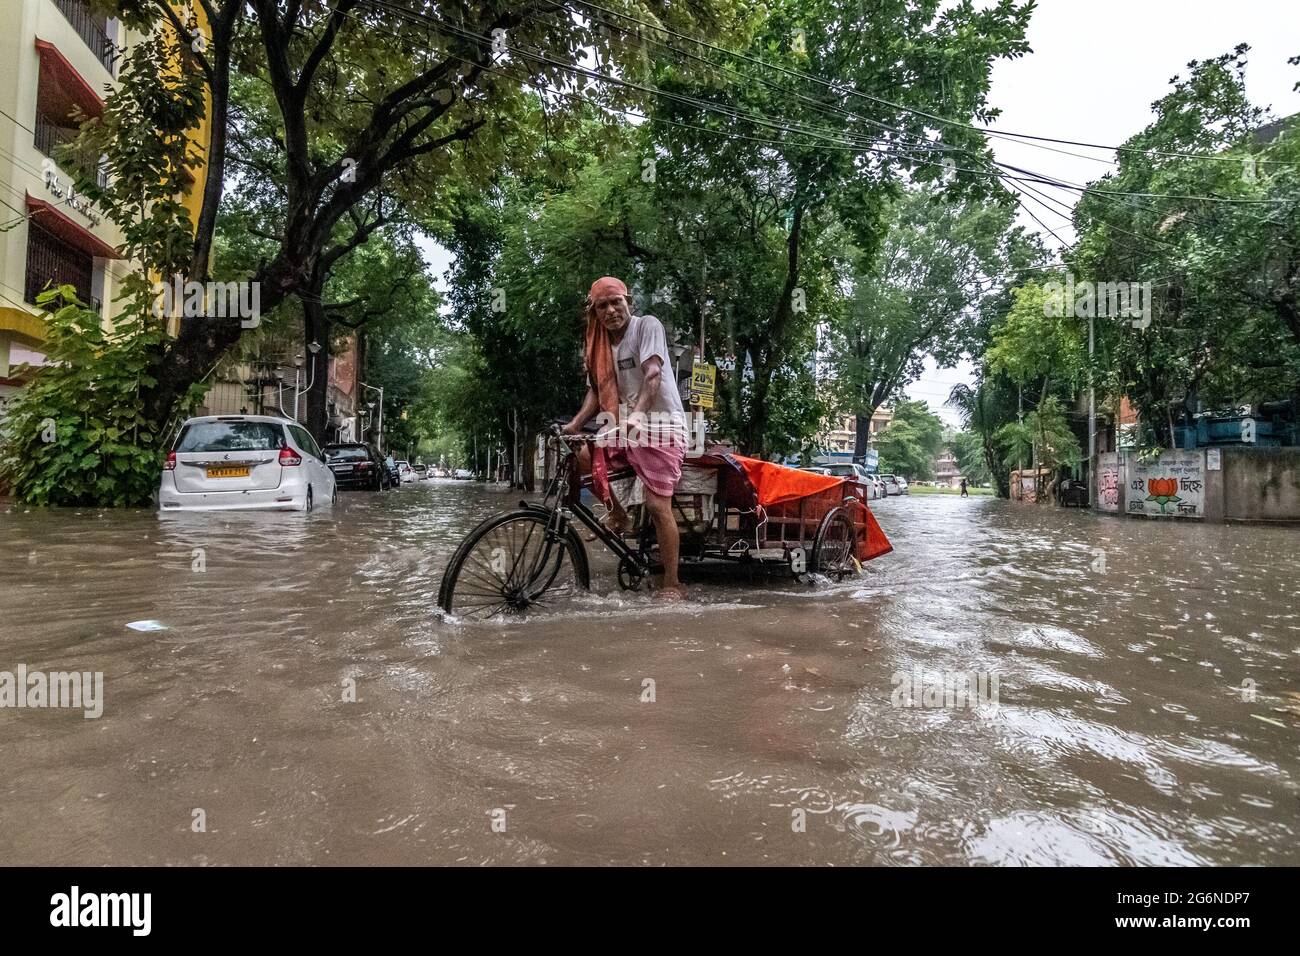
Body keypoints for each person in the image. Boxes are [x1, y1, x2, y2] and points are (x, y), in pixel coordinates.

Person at [563, 276, 688, 598]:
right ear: (595, 312)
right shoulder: (598, 345)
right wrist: (574, 425)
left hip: (662, 425)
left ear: (628, 302)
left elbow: (653, 374)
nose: (611, 310)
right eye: (602, 305)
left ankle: (672, 584)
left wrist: (638, 414)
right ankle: (617, 513)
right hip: (623, 426)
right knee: (582, 453)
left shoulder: (647, 326)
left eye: (616, 302)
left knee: (657, 505)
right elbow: (595, 391)